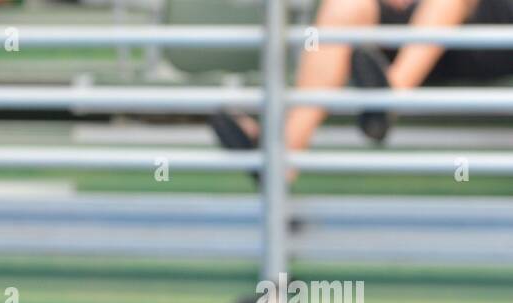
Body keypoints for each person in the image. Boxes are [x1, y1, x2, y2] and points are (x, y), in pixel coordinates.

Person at [210, 0, 513, 181]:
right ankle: (281, 155)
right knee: (344, 6)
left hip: (489, 34)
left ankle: (388, 98)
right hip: (410, 33)